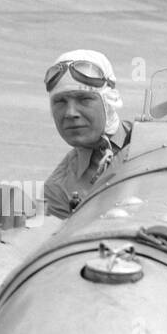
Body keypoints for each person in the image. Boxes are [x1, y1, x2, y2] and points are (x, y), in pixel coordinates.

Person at [41, 49, 132, 220]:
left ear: (108, 102)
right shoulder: (58, 190)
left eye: (84, 99)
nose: (70, 113)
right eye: (60, 101)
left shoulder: (154, 142)